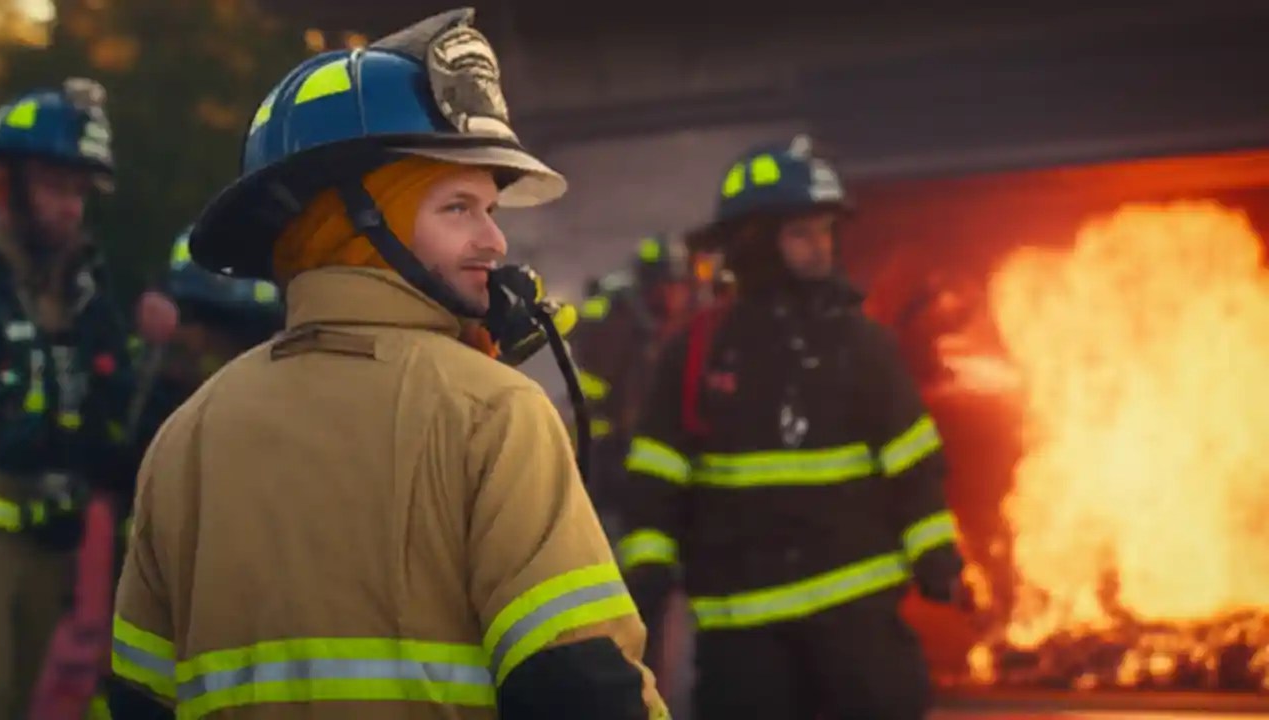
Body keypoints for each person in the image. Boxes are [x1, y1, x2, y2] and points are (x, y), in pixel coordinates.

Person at [108, 9, 667, 720]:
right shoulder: (492, 413)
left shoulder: (185, 439)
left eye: (491, 209)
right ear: (354, 224)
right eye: (458, 206)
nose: (495, 241)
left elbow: (137, 703)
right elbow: (584, 689)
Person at [617, 134, 966, 720]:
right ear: (756, 242)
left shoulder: (863, 343)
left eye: (825, 231)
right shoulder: (698, 352)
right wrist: (648, 566)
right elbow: (656, 473)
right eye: (802, 232)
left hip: (856, 621)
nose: (821, 246)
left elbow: (913, 462)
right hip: (744, 629)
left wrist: (936, 554)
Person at [0, 77, 136, 720]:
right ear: (4, 183)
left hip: (54, 543)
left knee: (23, 699)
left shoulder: (86, 294)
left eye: (80, 192)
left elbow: (113, 411)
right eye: (54, 186)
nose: (70, 208)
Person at [570, 234, 691, 534]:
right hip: (610, 449)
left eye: (680, 285)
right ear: (651, 285)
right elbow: (597, 387)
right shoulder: (619, 322)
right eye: (669, 285)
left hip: (647, 444)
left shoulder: (666, 322)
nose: (677, 294)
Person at [125, 228, 284, 456]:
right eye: (198, 318)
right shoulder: (135, 406)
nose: (201, 343)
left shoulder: (279, 424)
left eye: (246, 336)